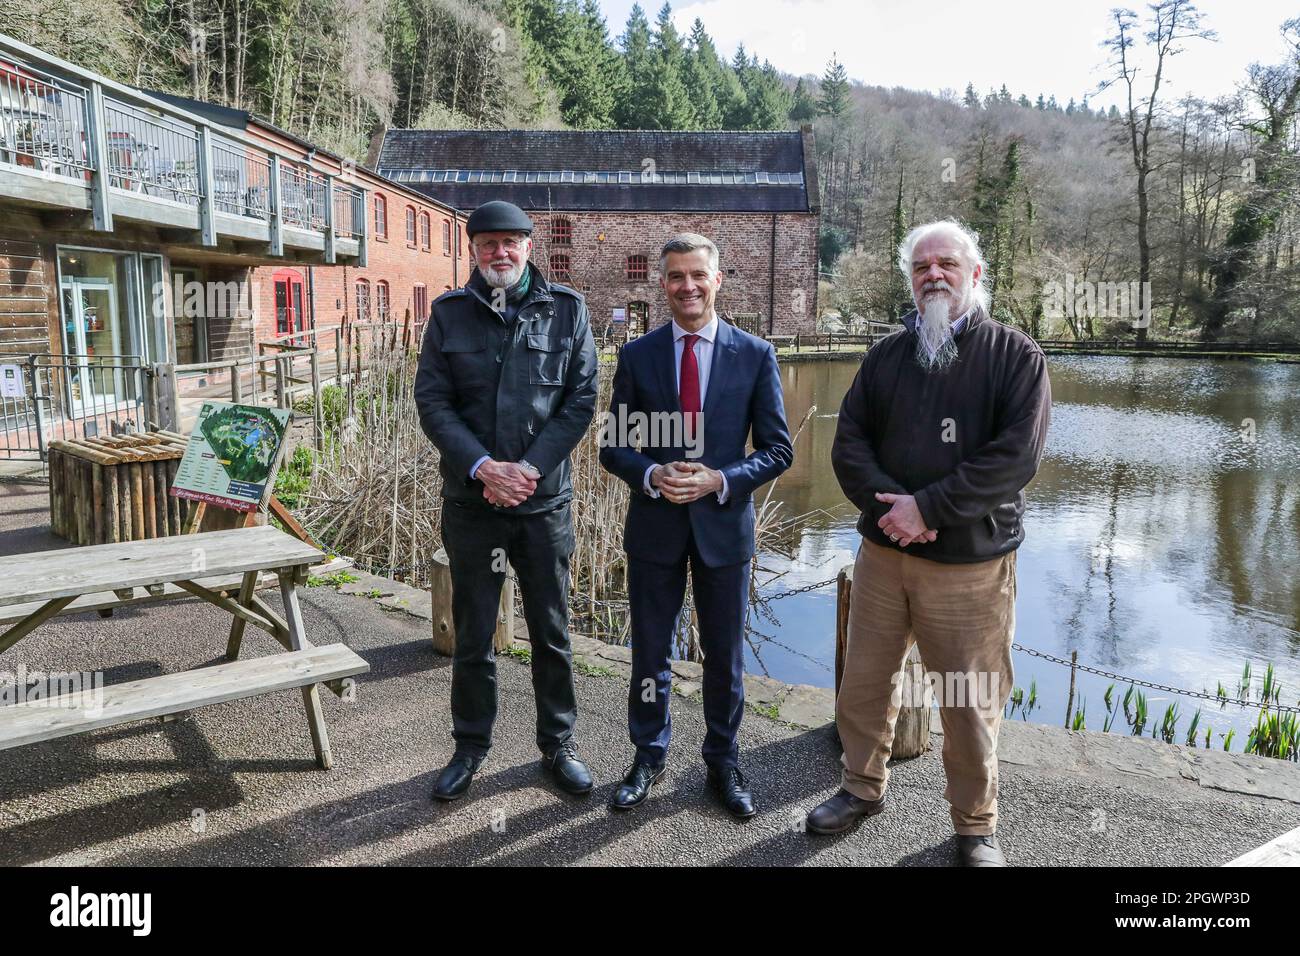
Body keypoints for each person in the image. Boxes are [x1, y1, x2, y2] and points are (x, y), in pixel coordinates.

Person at [807, 218, 1051, 867]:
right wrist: (893, 509)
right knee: (864, 685)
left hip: (968, 567)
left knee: (969, 702)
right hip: (884, 557)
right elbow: (849, 443)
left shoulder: (1015, 356)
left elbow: (1014, 459)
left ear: (975, 275)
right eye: (921, 267)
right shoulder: (887, 355)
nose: (933, 275)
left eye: (946, 264)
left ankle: (975, 828)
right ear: (911, 282)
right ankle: (860, 788)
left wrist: (930, 509)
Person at [599, 233, 793, 819]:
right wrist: (653, 472)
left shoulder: (754, 354)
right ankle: (648, 754)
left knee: (724, 655)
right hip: (655, 527)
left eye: (697, 276)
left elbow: (778, 450)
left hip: (724, 529)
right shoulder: (639, 356)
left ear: (717, 280)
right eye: (676, 277)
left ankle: (723, 759)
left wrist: (721, 479)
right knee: (650, 652)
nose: (687, 286)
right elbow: (614, 446)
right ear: (663, 285)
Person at [414, 200, 598, 801]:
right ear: (473, 249)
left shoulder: (566, 311)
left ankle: (558, 746)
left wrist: (528, 469)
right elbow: (434, 403)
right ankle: (469, 747)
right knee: (473, 635)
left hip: (543, 506)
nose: (500, 252)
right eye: (488, 242)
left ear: (529, 244)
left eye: (511, 242)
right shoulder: (448, 316)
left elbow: (580, 401)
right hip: (472, 505)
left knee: (551, 633)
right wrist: (484, 467)